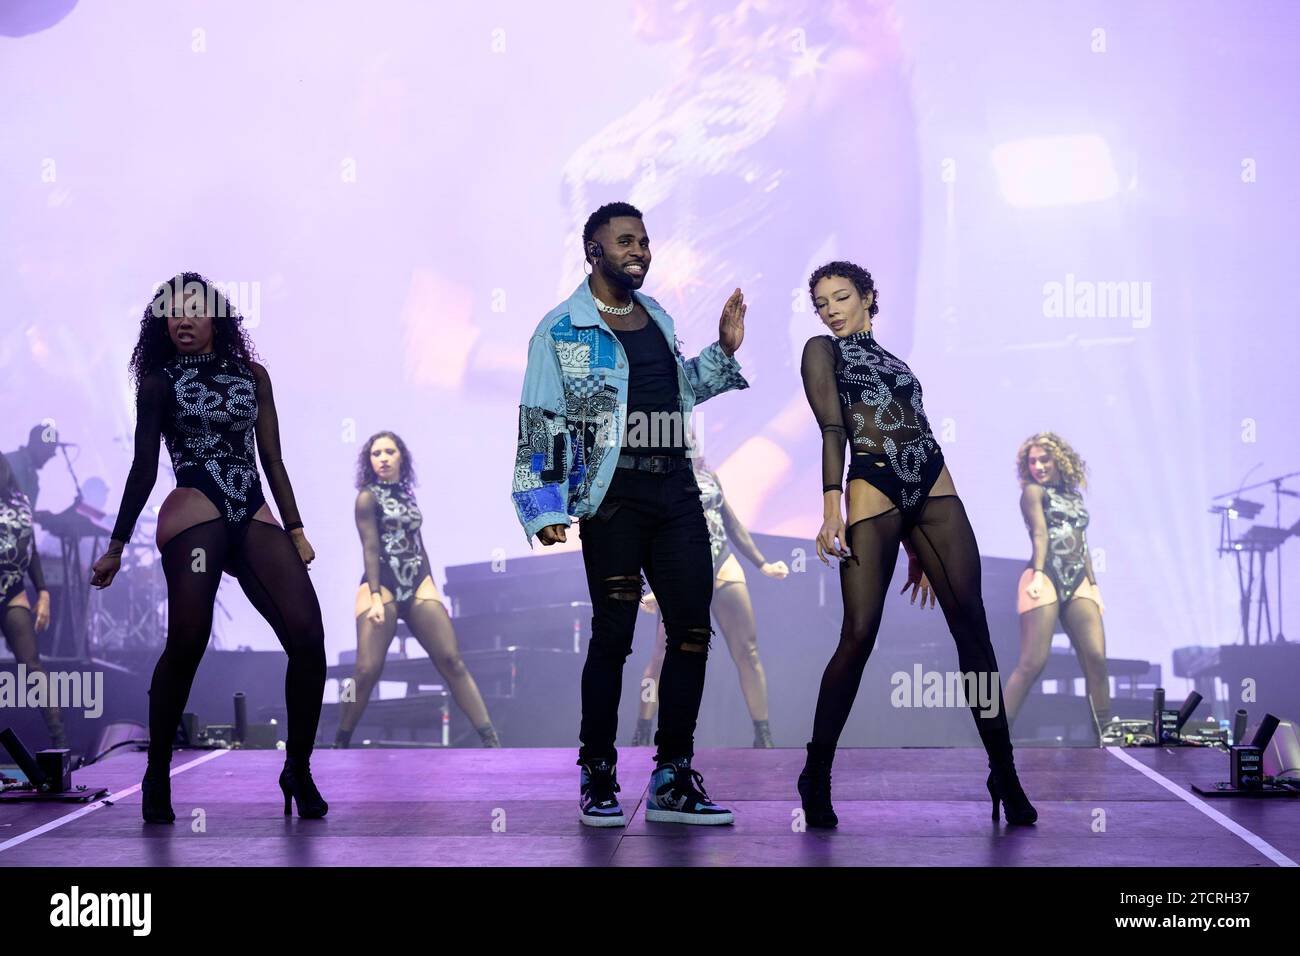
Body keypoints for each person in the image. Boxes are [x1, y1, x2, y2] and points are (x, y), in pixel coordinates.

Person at [510, 201, 748, 826]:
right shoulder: (560, 329)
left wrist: (723, 352)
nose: (639, 249)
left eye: (643, 240)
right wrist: (543, 503)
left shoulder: (658, 317)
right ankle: (598, 773)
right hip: (613, 499)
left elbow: (679, 391)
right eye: (625, 241)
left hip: (675, 495)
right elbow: (541, 418)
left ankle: (672, 775)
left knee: (691, 632)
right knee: (614, 637)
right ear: (594, 251)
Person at [797, 260, 1036, 828]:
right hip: (872, 479)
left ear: (868, 297)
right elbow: (833, 428)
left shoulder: (896, 361)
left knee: (973, 630)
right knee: (858, 635)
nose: (831, 309)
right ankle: (816, 772)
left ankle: (1003, 771)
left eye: (841, 297)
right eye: (822, 302)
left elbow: (915, 419)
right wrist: (832, 504)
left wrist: (916, 544)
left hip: (931, 478)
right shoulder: (820, 350)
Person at [90, 272, 328, 823]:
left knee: (308, 637)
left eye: (194, 310)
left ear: (216, 317)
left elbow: (272, 457)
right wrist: (116, 545)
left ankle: (298, 768)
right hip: (195, 511)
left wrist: (294, 528)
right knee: (189, 640)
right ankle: (156, 774)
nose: (183, 320)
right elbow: (143, 468)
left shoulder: (253, 376)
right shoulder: (159, 382)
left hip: (252, 508)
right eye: (173, 312)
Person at [335, 431, 500, 748]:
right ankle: (341, 740)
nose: (382, 458)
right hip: (380, 580)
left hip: (417, 579)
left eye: (389, 452)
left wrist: (434, 592)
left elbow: (419, 545)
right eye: (376, 453)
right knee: (367, 668)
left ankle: (491, 740)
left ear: (401, 457)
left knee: (451, 659)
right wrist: (374, 598)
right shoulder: (366, 498)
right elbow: (370, 548)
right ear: (369, 461)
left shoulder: (408, 493)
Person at [631, 452, 788, 748]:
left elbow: (731, 522)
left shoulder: (708, 474)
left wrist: (762, 564)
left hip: (722, 562)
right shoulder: (655, 472)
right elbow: (648, 530)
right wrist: (657, 585)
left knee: (748, 650)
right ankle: (642, 732)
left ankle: (763, 734)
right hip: (681, 568)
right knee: (662, 655)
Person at [1003, 433, 1110, 743]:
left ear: (1059, 460)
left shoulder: (1074, 495)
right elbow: (1039, 534)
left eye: (1044, 460)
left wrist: (1094, 584)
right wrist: (1037, 574)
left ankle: (1106, 738)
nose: (1038, 466)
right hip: (1045, 574)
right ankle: (995, 737)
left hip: (1078, 578)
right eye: (1032, 461)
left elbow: (1084, 543)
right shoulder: (1032, 492)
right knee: (1032, 662)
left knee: (1096, 659)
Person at [0, 453, 64, 747]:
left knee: (32, 665)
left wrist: (44, 592)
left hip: (13, 591)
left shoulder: (20, 502)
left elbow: (32, 551)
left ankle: (60, 745)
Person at [3, 422, 58, 507]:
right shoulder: (14, 464)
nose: (50, 456)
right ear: (37, 444)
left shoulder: (32, 474)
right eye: (49, 450)